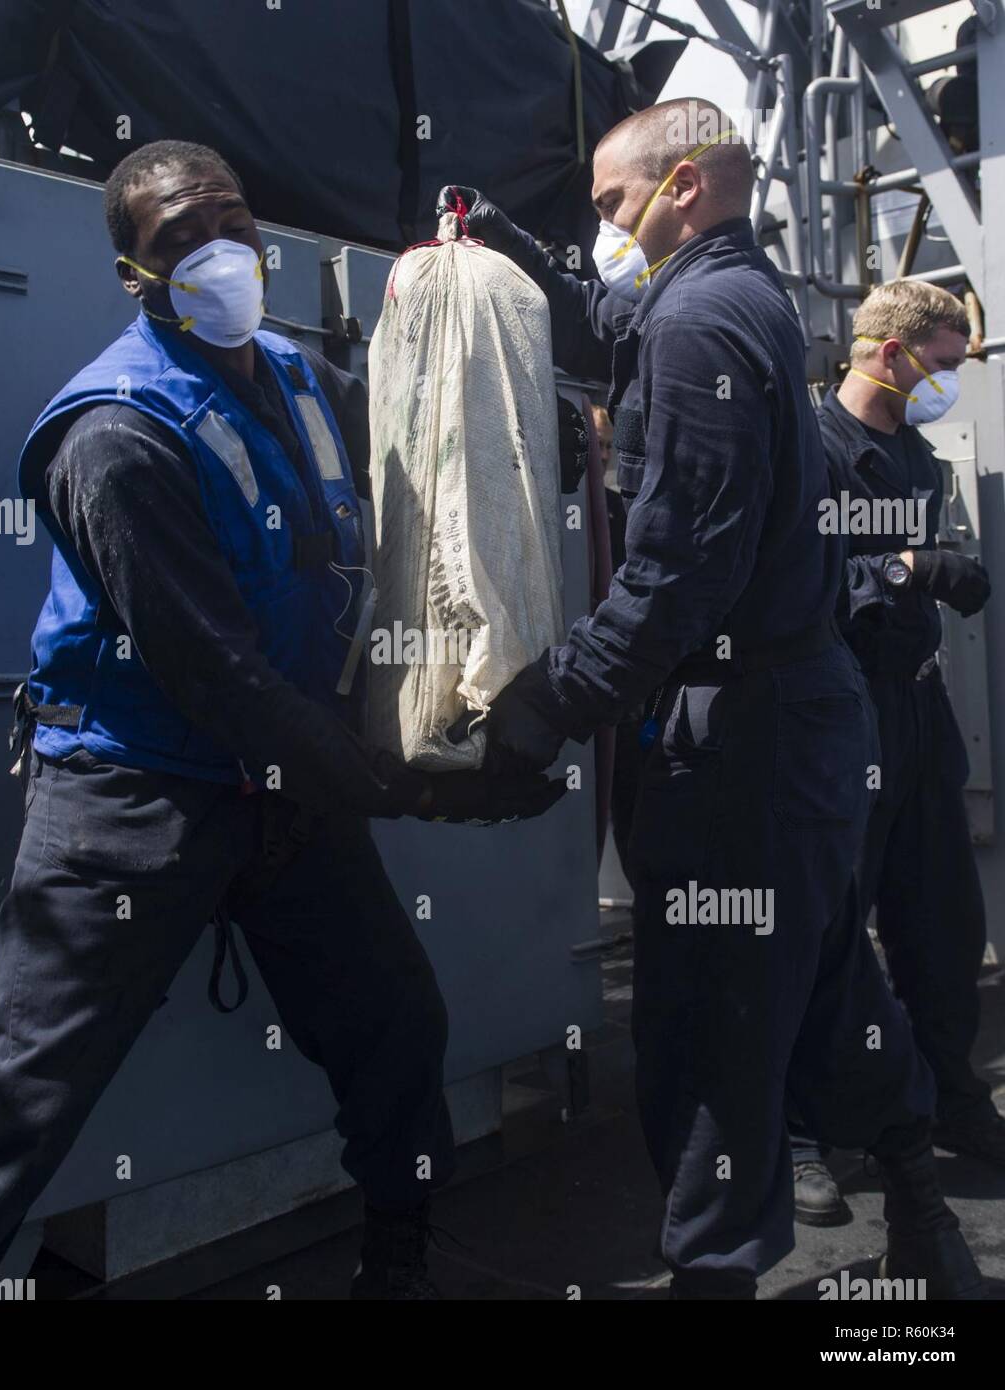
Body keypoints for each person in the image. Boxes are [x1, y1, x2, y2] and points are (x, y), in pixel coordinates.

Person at [0, 140, 562, 1303]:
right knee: (26, 1098)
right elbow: (218, 678)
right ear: (135, 272)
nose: (218, 251)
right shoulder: (113, 436)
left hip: (288, 785)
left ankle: (399, 1255)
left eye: (230, 223)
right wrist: (426, 790)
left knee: (394, 1024)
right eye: (180, 238)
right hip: (135, 791)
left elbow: (424, 449)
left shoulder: (295, 378)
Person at [438, 96, 984, 1299]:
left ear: (683, 185)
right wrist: (517, 247)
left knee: (708, 1026)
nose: (602, 224)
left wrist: (543, 710)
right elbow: (611, 318)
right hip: (791, 731)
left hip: (740, 747)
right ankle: (920, 1211)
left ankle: (714, 1274)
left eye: (610, 201)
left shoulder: (697, 328)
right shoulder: (734, 297)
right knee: (828, 980)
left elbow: (675, 575)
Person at [788, 279, 1000, 1226]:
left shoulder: (915, 456)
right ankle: (799, 1137)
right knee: (826, 933)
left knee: (942, 928)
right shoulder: (812, 450)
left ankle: (954, 1099)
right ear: (888, 352)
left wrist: (935, 565)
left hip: (915, 720)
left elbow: (941, 563)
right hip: (840, 718)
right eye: (944, 366)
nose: (948, 384)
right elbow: (792, 586)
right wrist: (900, 568)